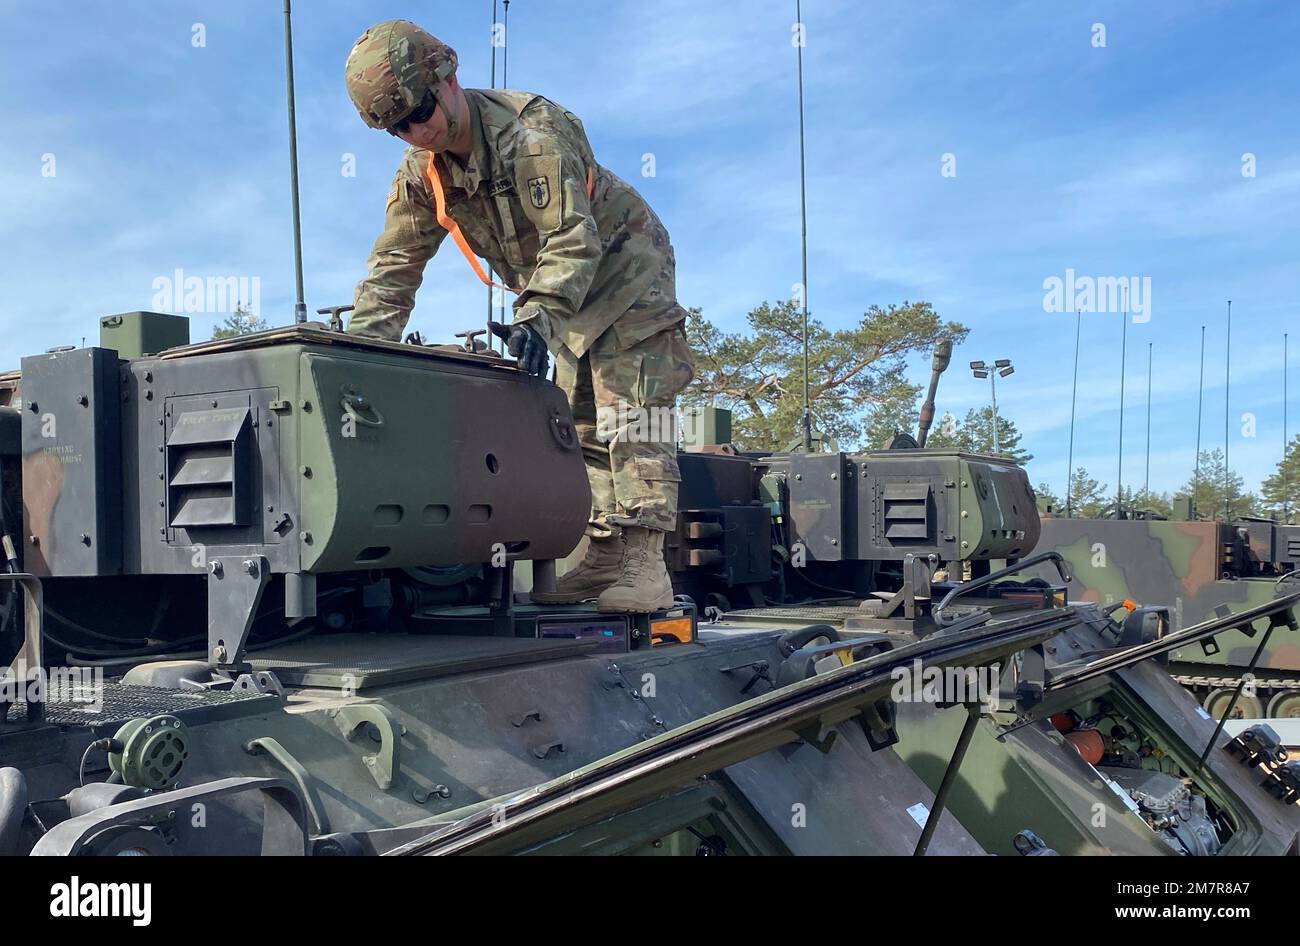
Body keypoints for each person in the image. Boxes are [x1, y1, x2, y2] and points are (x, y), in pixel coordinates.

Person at [343, 19, 693, 612]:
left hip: (625, 268)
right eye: (395, 125)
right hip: (556, 292)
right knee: (579, 421)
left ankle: (645, 565)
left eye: (418, 110)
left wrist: (537, 317)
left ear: (447, 77)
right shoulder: (421, 174)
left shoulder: (531, 133)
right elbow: (394, 269)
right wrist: (357, 357)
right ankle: (605, 555)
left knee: (631, 411)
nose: (415, 130)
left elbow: (572, 237)